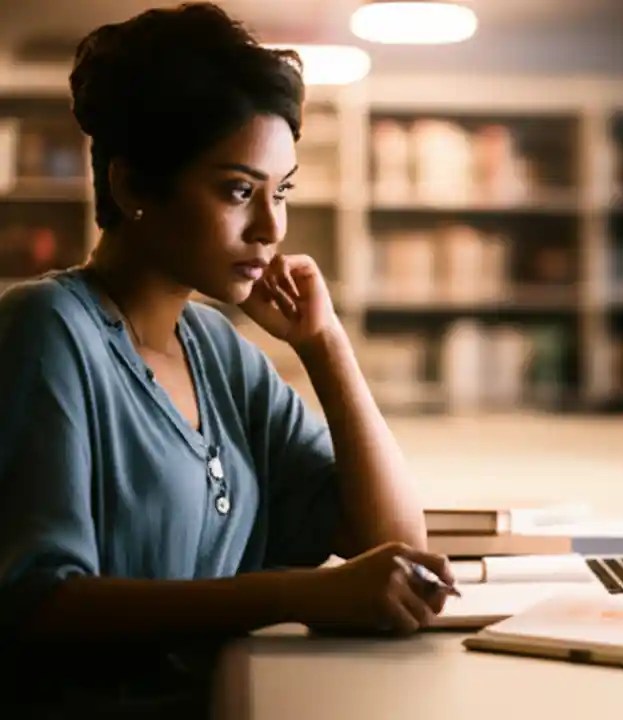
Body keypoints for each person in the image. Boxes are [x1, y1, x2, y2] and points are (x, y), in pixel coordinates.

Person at [0, 1, 453, 667]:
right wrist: (298, 595)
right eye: (240, 192)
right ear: (131, 185)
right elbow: (38, 603)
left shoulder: (216, 349)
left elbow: (391, 544)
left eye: (283, 191)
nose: (272, 228)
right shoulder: (47, 330)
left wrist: (324, 345)